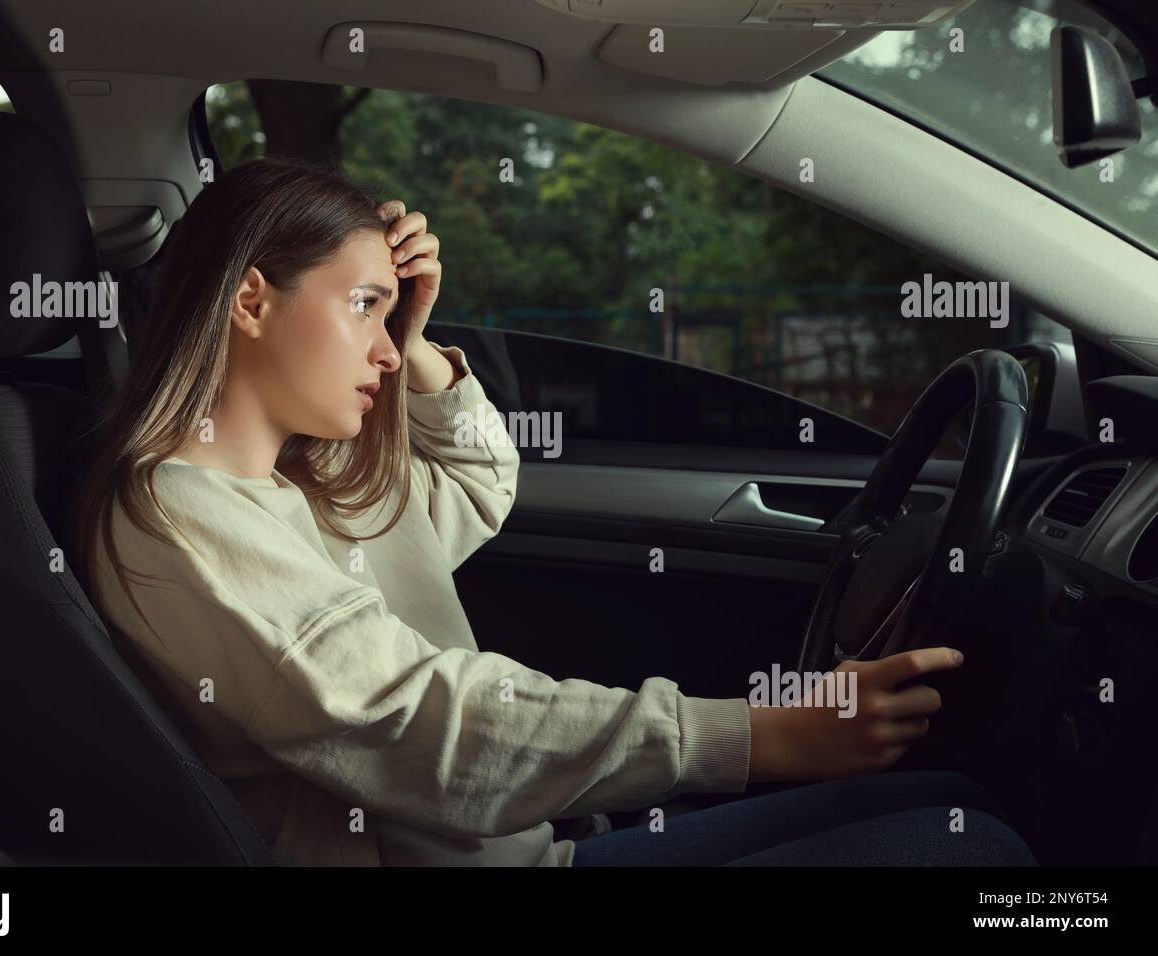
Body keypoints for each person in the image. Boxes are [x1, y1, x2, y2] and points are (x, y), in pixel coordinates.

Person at [66, 156, 1036, 867]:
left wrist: (419, 338)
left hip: (526, 847)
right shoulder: (177, 510)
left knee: (954, 802)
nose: (382, 350)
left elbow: (481, 484)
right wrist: (752, 734)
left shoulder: (286, 478)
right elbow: (422, 722)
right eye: (362, 305)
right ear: (248, 301)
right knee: (976, 855)